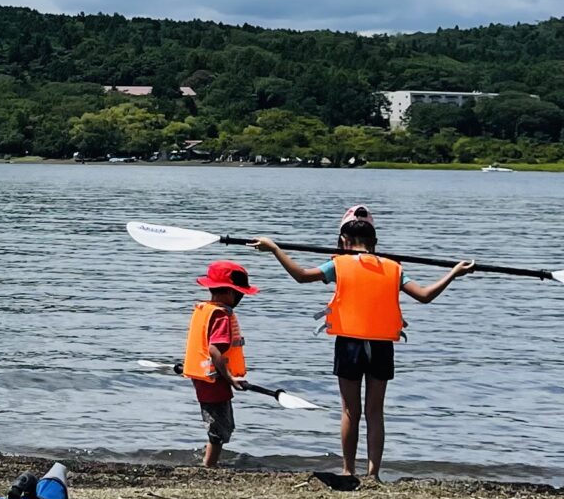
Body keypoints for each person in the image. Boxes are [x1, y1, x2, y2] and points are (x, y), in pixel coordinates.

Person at [253, 206, 474, 483]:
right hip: (381, 346)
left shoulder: (338, 264)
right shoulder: (394, 269)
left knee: (350, 411)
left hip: (350, 344)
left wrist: (274, 248)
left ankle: (348, 471)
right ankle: (374, 474)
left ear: (344, 240)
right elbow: (426, 296)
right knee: (374, 412)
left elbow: (300, 276)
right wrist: (453, 273)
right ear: (375, 243)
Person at [181, 258, 254, 469]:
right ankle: (209, 465)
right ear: (231, 293)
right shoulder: (221, 315)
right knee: (220, 428)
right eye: (240, 293)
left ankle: (208, 461)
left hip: (203, 378)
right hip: (215, 380)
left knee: (219, 424)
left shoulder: (206, 309)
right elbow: (214, 349)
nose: (241, 297)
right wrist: (230, 378)